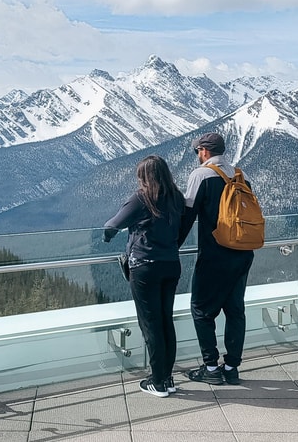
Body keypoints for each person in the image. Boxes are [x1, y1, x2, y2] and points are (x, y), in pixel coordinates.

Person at [103, 155, 184, 397]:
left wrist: (108, 237)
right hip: (171, 264)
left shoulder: (142, 198)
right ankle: (167, 378)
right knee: (165, 321)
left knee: (150, 324)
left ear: (145, 177)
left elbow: (112, 225)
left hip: (145, 267)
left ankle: (157, 381)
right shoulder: (176, 197)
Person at [178, 132, 255, 386]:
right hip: (242, 253)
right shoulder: (239, 176)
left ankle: (210, 367)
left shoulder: (201, 175)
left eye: (197, 151)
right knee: (235, 310)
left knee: (201, 310)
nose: (197, 156)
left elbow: (187, 216)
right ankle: (232, 368)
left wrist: (171, 245)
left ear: (204, 151)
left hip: (214, 255)